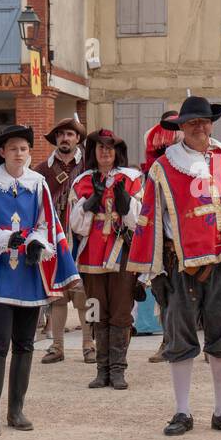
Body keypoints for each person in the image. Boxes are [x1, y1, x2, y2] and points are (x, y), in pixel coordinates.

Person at [127, 95, 221, 436]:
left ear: (211, 123)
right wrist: (152, 272)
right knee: (181, 340)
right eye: (191, 123)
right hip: (181, 266)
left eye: (203, 121)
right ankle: (182, 412)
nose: (199, 127)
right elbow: (150, 219)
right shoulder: (164, 167)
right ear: (181, 128)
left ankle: (220, 411)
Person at [0, 126, 79, 434]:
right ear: (2, 153)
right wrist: (11, 239)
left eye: (23, 148)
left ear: (29, 153)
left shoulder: (39, 184)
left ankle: (16, 410)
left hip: (30, 274)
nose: (19, 153)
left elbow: (48, 223)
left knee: (25, 344)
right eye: (13, 149)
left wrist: (37, 243)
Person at [68, 129, 144, 391]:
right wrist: (91, 202)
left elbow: (139, 222)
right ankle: (102, 370)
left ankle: (118, 370)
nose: (105, 152)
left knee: (122, 311)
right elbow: (76, 225)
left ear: (117, 152)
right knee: (95, 311)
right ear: (93, 151)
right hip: (91, 255)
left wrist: (125, 205)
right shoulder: (82, 181)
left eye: (110, 148)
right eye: (100, 147)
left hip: (122, 253)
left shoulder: (133, 178)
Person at [33, 118, 93, 365]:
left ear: (78, 138)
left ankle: (90, 345)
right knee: (56, 295)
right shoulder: (41, 170)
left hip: (83, 239)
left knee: (87, 297)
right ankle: (56, 346)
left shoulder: (90, 165)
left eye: (70, 134)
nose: (65, 138)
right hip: (53, 240)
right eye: (60, 135)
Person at [141, 110, 180, 364]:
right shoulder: (154, 171)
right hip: (164, 244)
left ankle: (209, 345)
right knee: (164, 293)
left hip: (190, 242)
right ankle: (168, 341)